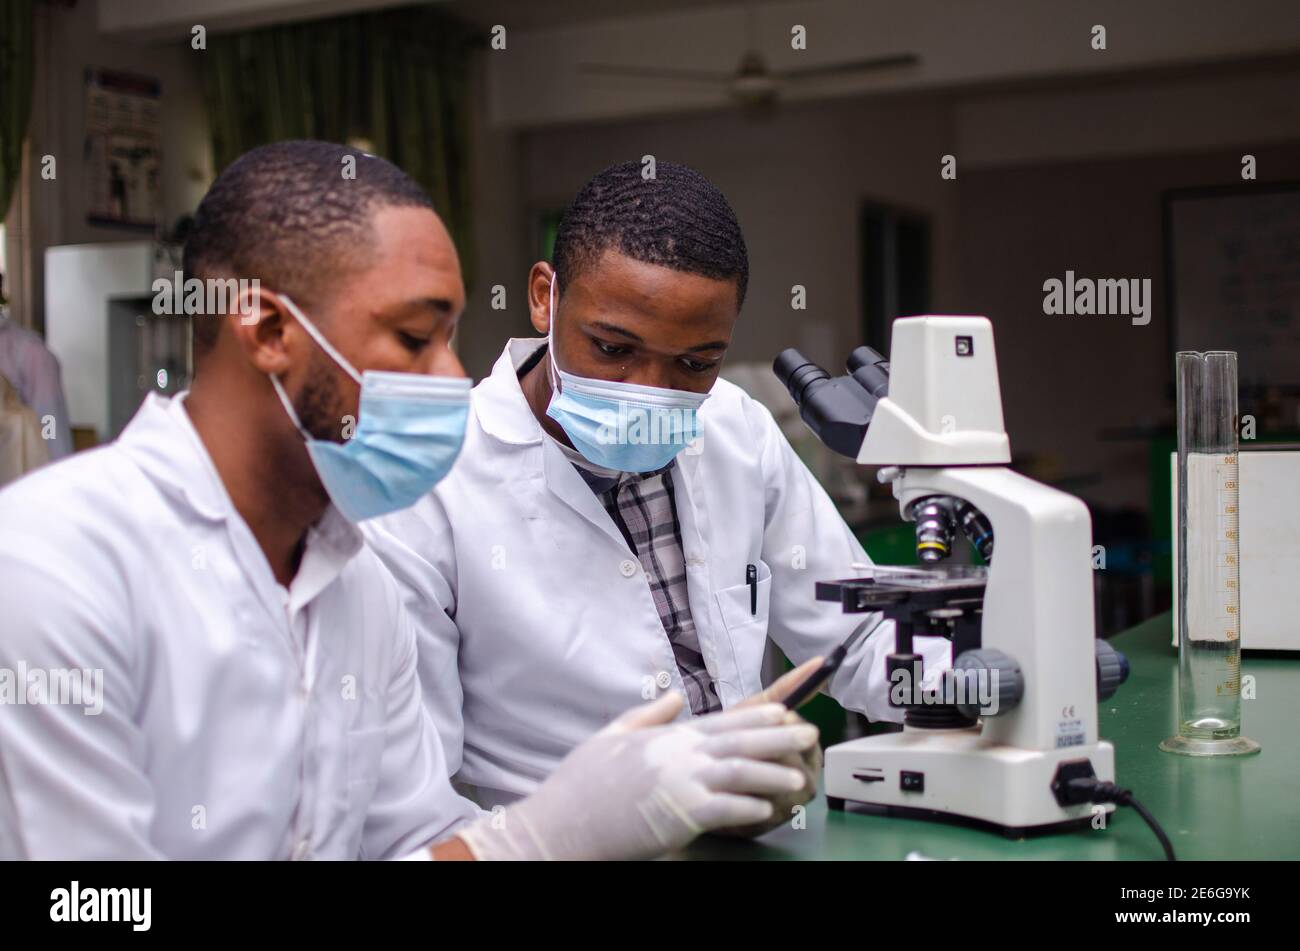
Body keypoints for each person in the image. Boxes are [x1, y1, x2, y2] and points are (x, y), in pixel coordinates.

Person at [0, 141, 818, 861]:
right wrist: (543, 836)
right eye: (413, 337)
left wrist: (558, 830)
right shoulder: (56, 562)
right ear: (268, 330)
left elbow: (414, 841)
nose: (447, 377)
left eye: (449, 337)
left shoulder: (350, 583)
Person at [365, 160, 950, 814]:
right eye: (613, 349)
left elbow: (861, 638)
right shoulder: (430, 489)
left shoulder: (736, 426)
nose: (649, 393)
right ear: (543, 297)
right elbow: (420, 805)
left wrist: (976, 681)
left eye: (694, 363)